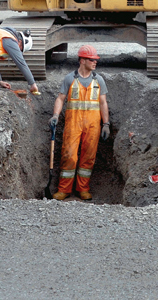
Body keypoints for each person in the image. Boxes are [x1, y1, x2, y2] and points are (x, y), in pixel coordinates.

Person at [49, 45, 109, 201]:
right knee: (69, 156)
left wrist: (106, 124)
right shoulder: (70, 78)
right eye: (92, 60)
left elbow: (103, 103)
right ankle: (64, 189)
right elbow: (60, 98)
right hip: (73, 124)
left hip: (93, 125)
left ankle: (83, 188)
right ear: (82, 60)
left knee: (88, 157)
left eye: (95, 60)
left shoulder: (98, 80)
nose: (95, 62)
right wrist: (55, 115)